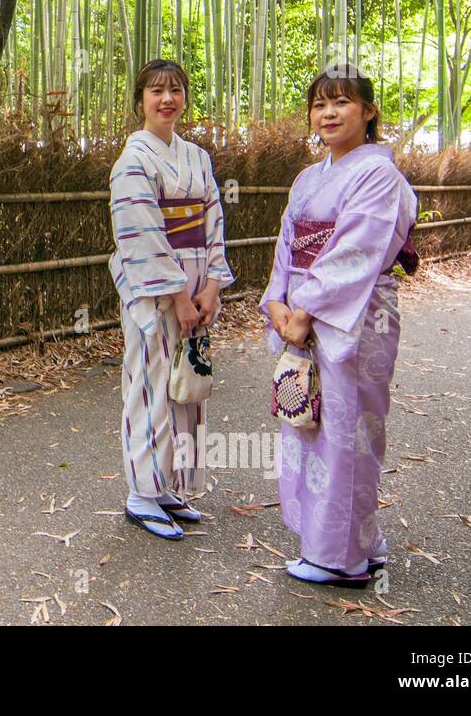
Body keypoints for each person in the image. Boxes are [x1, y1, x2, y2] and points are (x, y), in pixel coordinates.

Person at [260, 63, 419, 587]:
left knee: (350, 429)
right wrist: (277, 301)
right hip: (306, 311)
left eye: (342, 102)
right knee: (311, 422)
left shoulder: (379, 175)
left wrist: (304, 310)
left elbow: (359, 248)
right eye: (319, 104)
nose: (328, 113)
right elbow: (287, 244)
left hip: (356, 313)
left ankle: (340, 558)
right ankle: (358, 542)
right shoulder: (309, 178)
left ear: (368, 112)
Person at [109, 59, 234, 540]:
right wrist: (180, 296)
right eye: (156, 90)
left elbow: (214, 223)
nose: (167, 99)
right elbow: (140, 232)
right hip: (156, 290)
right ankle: (140, 493)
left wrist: (212, 287)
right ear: (140, 99)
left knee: (185, 387)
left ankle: (165, 487)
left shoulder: (198, 157)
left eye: (176, 90)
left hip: (197, 282)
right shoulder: (133, 161)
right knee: (148, 383)